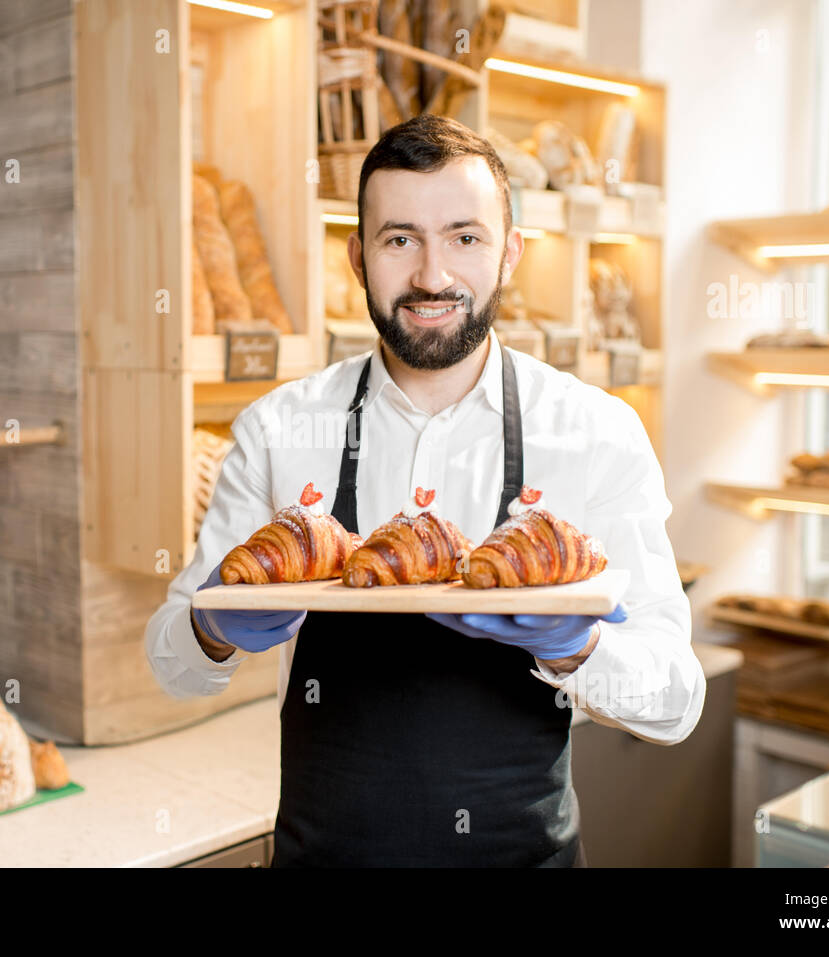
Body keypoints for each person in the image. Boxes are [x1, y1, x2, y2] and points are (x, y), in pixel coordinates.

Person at [146, 114, 703, 867]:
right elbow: (170, 664)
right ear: (357, 256)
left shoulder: (597, 431)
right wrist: (216, 628)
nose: (432, 276)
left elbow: (675, 700)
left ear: (510, 253)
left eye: (465, 238)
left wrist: (581, 647)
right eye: (400, 238)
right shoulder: (280, 427)